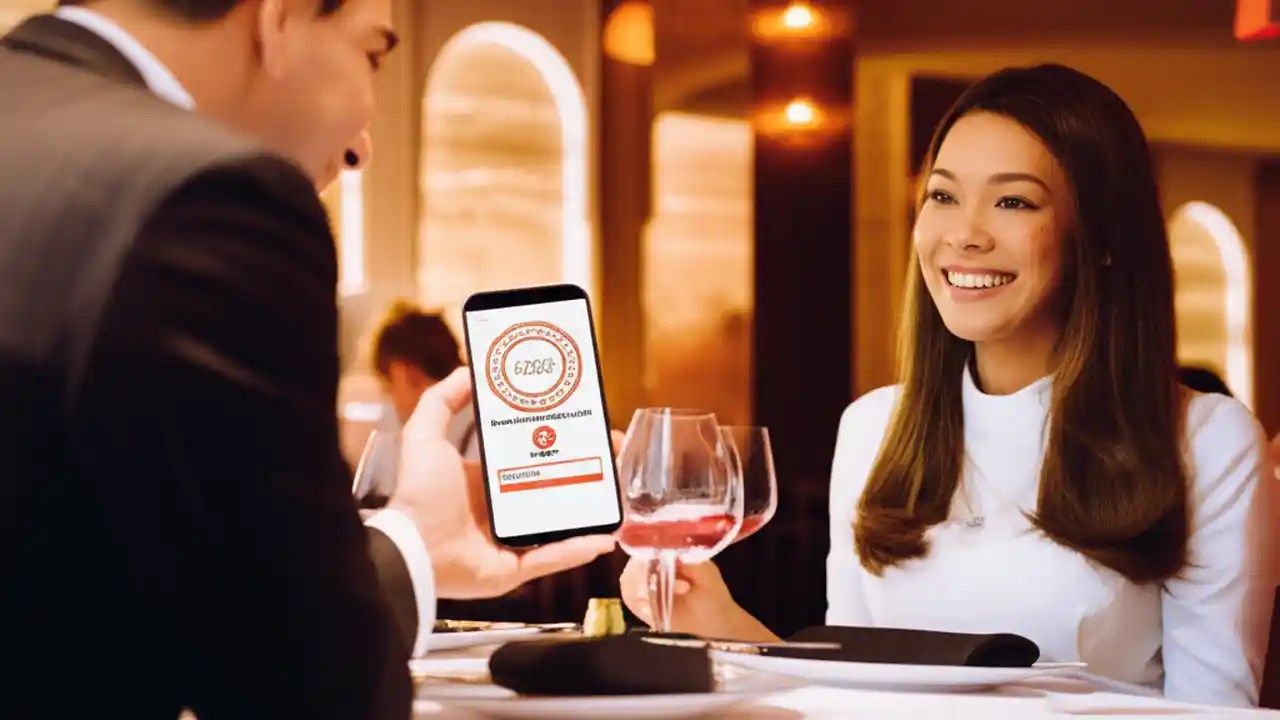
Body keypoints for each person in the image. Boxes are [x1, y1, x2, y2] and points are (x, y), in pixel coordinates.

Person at [0, 2, 613, 718]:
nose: (362, 148)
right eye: (372, 54)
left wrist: (410, 545)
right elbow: (312, 692)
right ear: (279, 19)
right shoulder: (205, 200)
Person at [620, 64, 1275, 707]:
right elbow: (853, 694)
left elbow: (1213, 712)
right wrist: (716, 619)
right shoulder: (874, 428)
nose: (964, 235)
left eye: (1013, 200)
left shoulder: (1206, 441)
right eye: (942, 195)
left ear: (1099, 237)